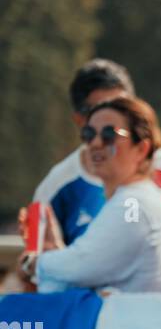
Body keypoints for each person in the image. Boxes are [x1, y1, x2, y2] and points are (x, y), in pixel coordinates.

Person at [18, 96, 161, 295]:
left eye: (109, 134)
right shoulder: (140, 198)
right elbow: (86, 265)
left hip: (136, 325)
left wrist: (32, 263)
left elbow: (81, 264)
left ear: (141, 149)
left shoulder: (133, 206)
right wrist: (56, 253)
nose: (95, 143)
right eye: (88, 134)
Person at [29, 58, 135, 245]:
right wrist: (45, 258)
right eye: (100, 112)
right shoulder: (53, 188)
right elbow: (32, 263)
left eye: (123, 108)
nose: (114, 120)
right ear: (80, 121)